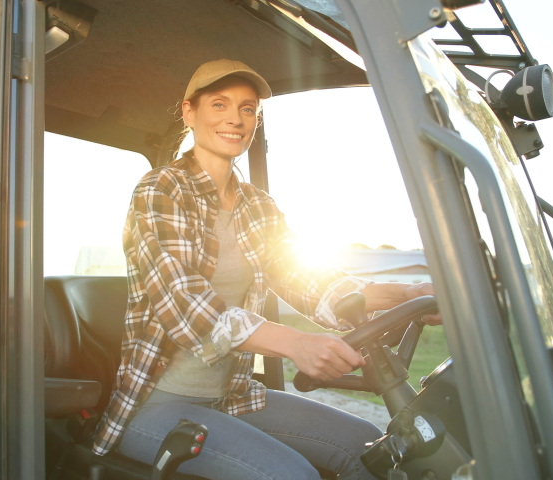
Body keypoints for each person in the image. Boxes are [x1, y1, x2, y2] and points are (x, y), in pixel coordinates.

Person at [92, 59, 440, 480]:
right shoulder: (160, 189)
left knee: (367, 446)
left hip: (233, 396)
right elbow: (185, 303)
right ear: (189, 112)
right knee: (294, 476)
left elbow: (303, 277)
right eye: (219, 104)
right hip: (157, 405)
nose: (235, 119)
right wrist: (295, 343)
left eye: (247, 109)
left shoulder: (258, 206)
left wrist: (407, 296)